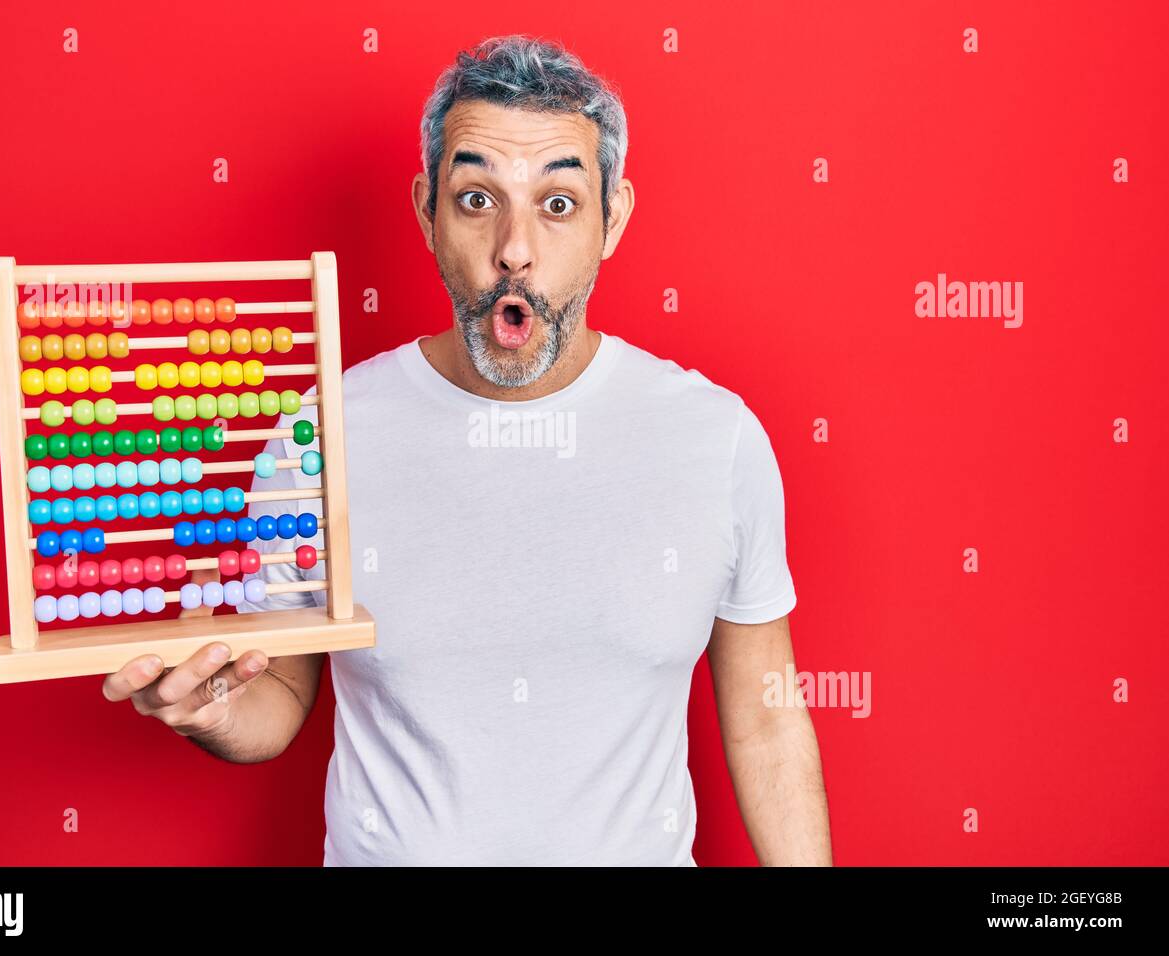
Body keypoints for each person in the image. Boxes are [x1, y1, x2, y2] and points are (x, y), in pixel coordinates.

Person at [102, 34, 832, 866]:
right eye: (477, 199)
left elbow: (767, 717)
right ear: (426, 211)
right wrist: (216, 711)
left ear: (613, 219)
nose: (514, 249)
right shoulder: (321, 435)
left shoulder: (716, 439)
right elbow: (280, 694)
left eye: (558, 204)